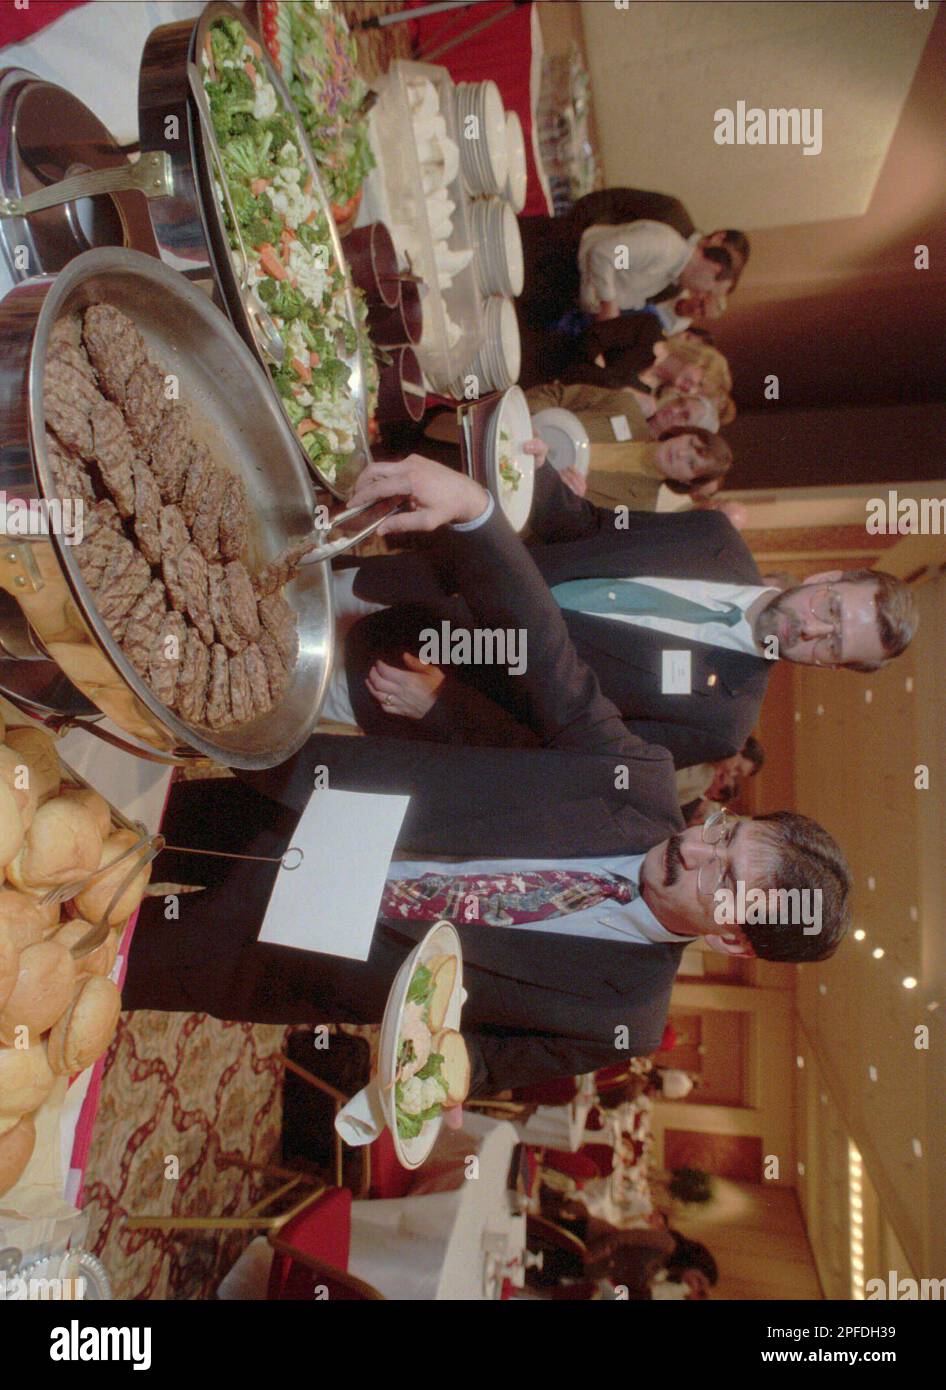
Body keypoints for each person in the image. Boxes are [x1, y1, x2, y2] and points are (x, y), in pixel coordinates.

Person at [124, 455, 854, 1095]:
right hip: (283, 813)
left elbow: (481, 1066)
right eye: (727, 838)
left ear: (735, 941)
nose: (696, 851)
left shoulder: (622, 1018)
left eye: (724, 884)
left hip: (276, 958)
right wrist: (476, 515)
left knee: (82, 969)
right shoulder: (635, 777)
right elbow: (547, 651)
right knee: (109, 827)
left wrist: (450, 1075)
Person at [332, 460, 918, 768]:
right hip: (418, 579)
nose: (812, 628)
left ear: (832, 667)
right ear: (825, 578)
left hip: (409, 678)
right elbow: (589, 527)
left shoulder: (720, 725)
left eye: (834, 643)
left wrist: (445, 709)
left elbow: (566, 754)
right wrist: (536, 470)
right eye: (832, 607)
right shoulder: (712, 535)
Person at [517, 185, 749, 328]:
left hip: (562, 284)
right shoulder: (666, 247)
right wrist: (608, 301)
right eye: (708, 290)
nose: (700, 294)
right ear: (714, 267)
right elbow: (608, 254)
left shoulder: (670, 279)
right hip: (553, 257)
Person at [676, 734, 764, 811]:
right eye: (737, 768)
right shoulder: (701, 738)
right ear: (740, 747)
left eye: (737, 774)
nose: (731, 773)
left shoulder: (705, 783)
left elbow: (673, 802)